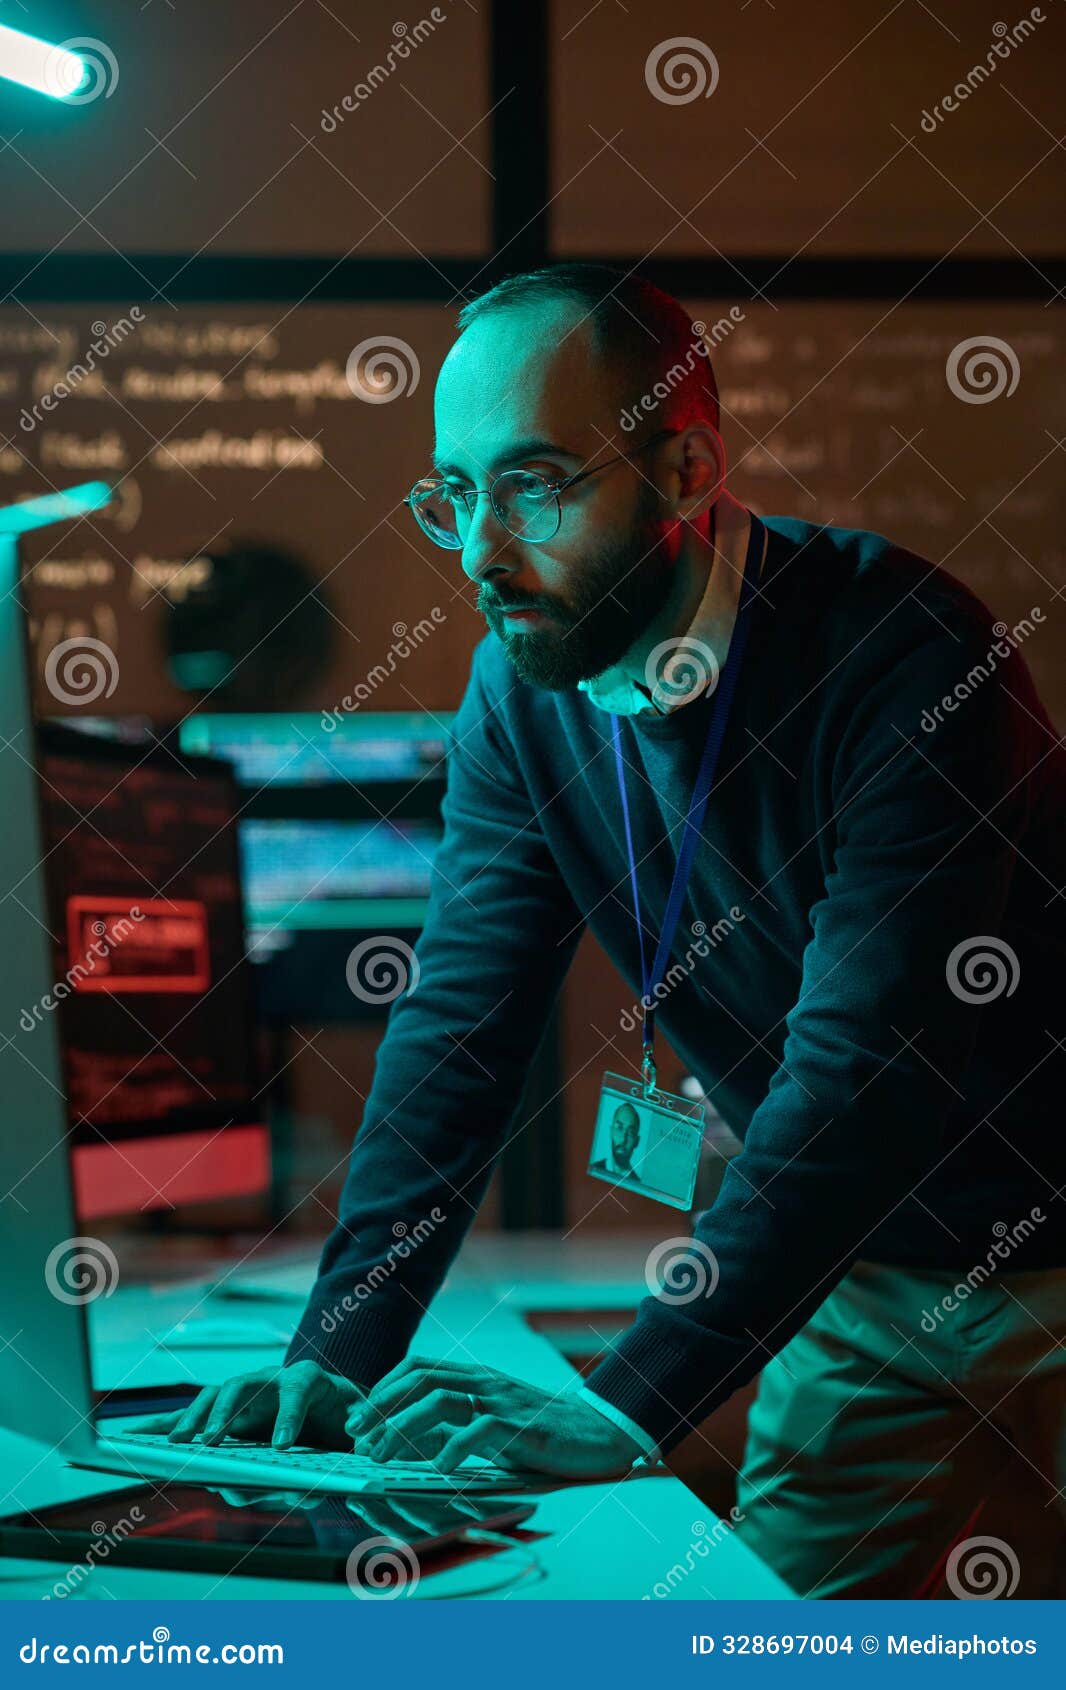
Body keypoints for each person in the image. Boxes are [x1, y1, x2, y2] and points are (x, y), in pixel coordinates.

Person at [149, 263, 1066, 1595]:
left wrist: (630, 1401)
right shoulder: (525, 695)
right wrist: (337, 1346)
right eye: (452, 496)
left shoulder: (907, 654)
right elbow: (459, 1020)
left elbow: (868, 1071)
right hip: (861, 1277)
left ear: (685, 467)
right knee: (768, 1643)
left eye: (532, 485)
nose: (477, 553)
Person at [588, 1100, 647, 1183]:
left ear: (636, 1141)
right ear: (611, 1131)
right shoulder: (592, 1169)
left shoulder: (639, 1184)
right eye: (619, 1128)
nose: (623, 1139)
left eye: (630, 1132)